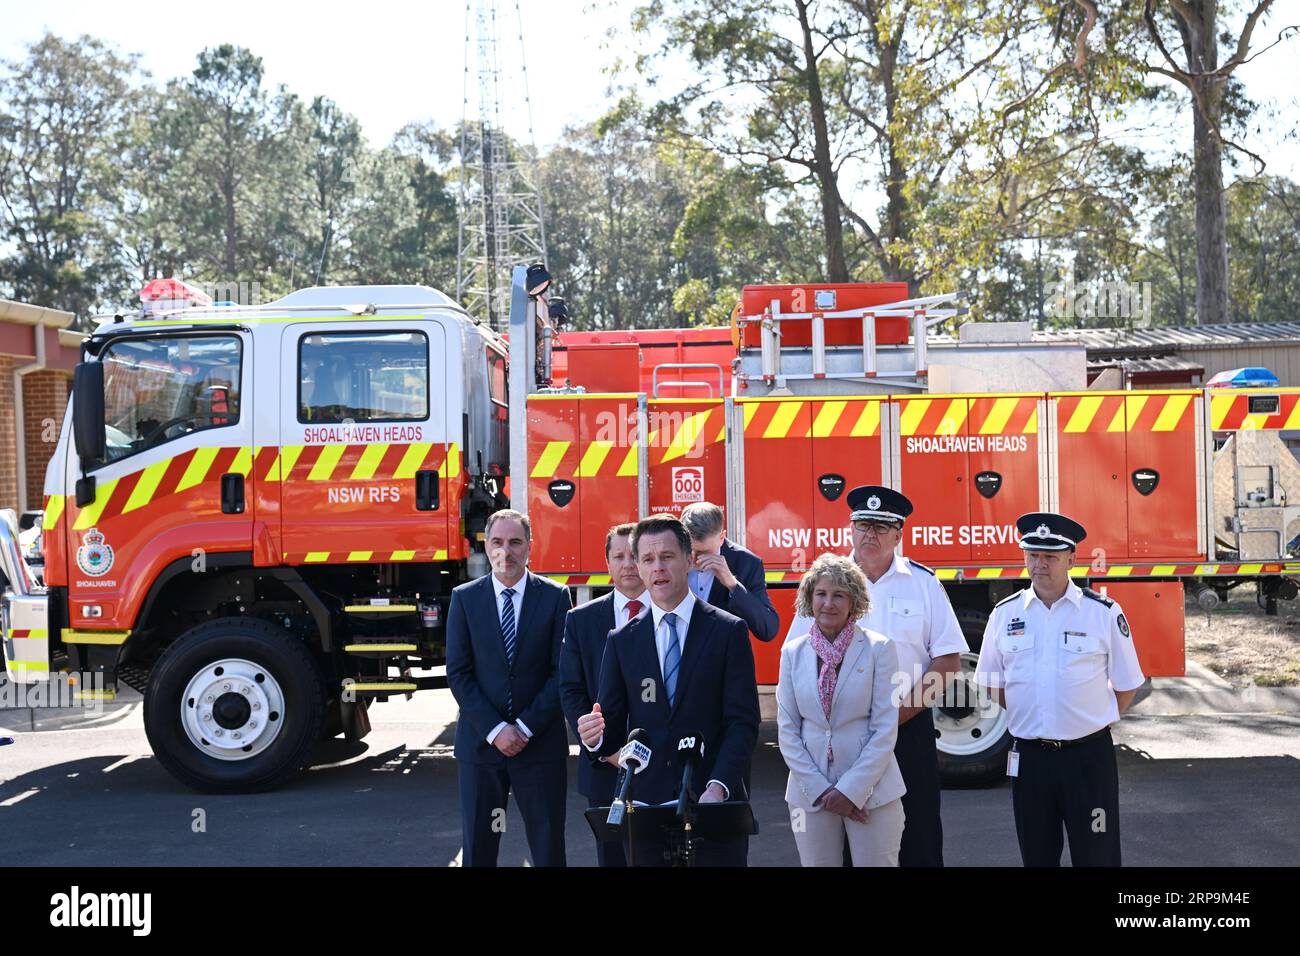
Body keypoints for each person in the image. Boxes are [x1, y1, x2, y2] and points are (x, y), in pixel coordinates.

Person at [785, 485, 966, 867]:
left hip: (907, 729)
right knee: (842, 844)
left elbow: (947, 661)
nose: (870, 534)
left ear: (899, 533)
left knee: (919, 838)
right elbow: (797, 659)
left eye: (881, 527)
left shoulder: (922, 583)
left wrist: (897, 716)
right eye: (863, 525)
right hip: (840, 736)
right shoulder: (827, 583)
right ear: (850, 529)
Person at [576, 514, 761, 866]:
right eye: (647, 559)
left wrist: (718, 786)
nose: (657, 568)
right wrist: (596, 739)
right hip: (647, 816)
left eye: (667, 557)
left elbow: (743, 722)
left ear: (689, 560)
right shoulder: (621, 642)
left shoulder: (728, 631)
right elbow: (614, 727)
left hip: (714, 808)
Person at [974, 512, 1145, 867]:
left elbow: (1127, 685)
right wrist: (1031, 713)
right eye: (1032, 555)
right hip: (1031, 761)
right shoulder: (1004, 615)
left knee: (1097, 856)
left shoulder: (1103, 613)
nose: (1040, 564)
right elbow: (992, 682)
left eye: (1050, 556)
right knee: (1037, 857)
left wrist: (1091, 720)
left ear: (1072, 558)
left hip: (1088, 761)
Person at [446, 508, 572, 867]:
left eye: (515, 542)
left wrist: (525, 727)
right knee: (479, 850)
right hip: (481, 747)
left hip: (540, 745)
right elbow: (458, 673)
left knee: (548, 850)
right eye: (498, 542)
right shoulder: (465, 599)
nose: (507, 551)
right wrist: (497, 729)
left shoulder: (555, 597)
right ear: (487, 547)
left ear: (530, 546)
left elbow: (561, 672)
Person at [777, 553, 907, 866]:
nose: (828, 603)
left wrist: (850, 791)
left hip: (873, 793)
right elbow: (787, 730)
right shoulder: (792, 653)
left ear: (854, 601)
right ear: (809, 598)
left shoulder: (880, 649)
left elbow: (885, 728)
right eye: (820, 594)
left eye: (839, 595)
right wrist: (822, 791)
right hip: (809, 795)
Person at [559, 523, 649, 867]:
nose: (627, 564)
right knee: (611, 859)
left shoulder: (670, 617)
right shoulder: (580, 620)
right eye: (619, 556)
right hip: (603, 767)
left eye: (634, 555)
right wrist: (604, 748)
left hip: (660, 769)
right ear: (607, 563)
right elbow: (571, 689)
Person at [680, 501, 780, 642]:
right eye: (692, 551)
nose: (697, 558)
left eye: (705, 552)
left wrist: (732, 583)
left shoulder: (746, 563)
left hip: (722, 657)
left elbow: (768, 630)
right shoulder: (670, 557)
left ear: (721, 538)